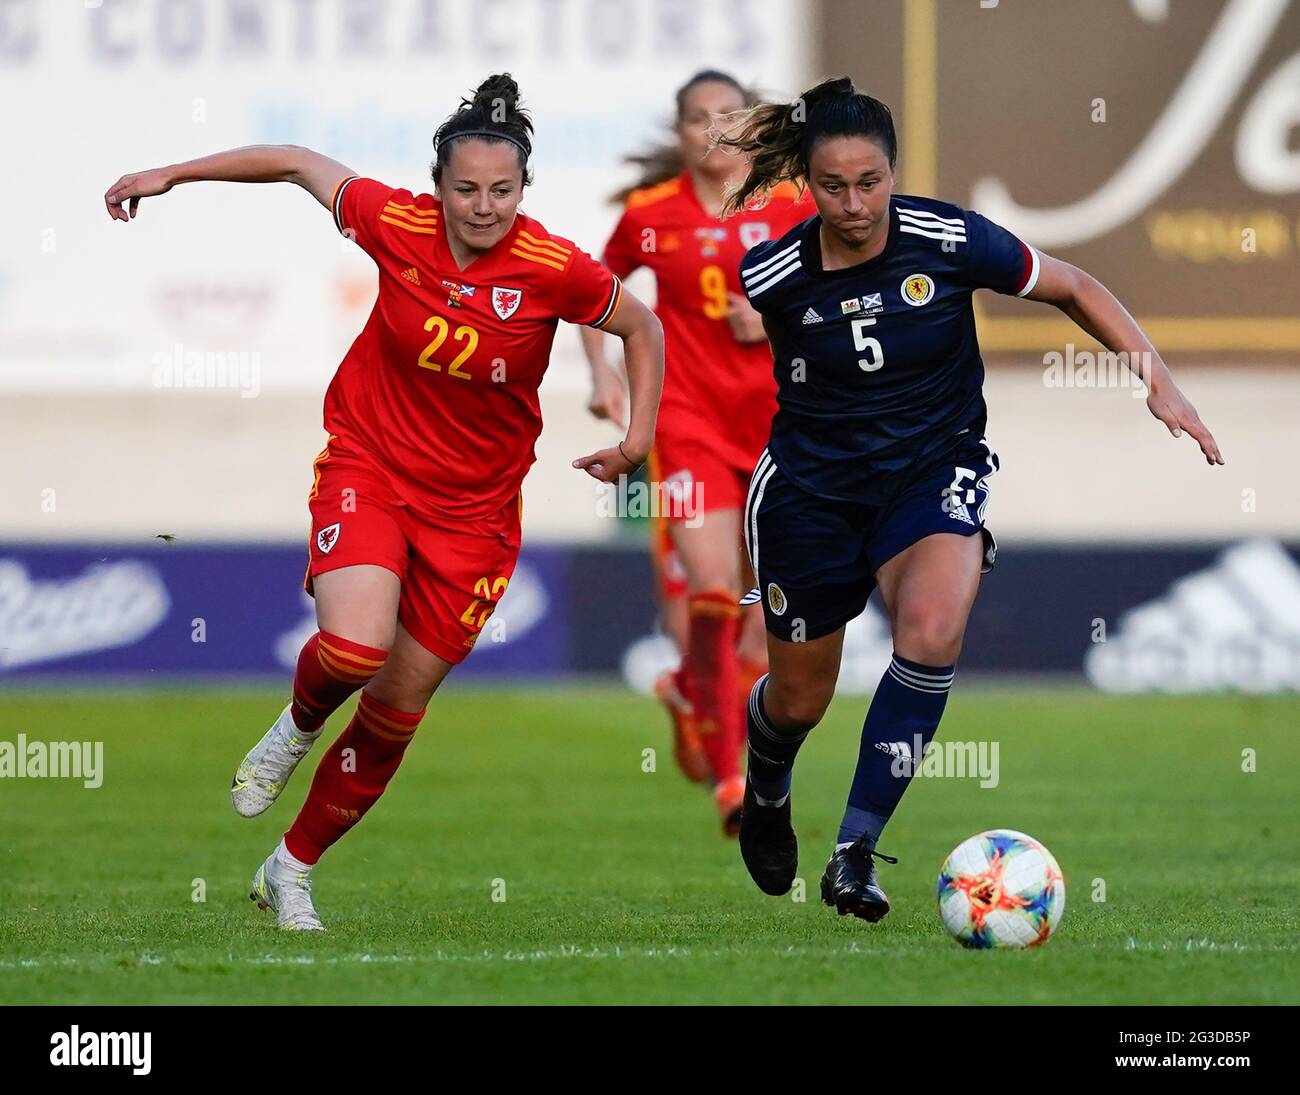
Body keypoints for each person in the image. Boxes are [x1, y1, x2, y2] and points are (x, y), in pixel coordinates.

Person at [104, 74, 664, 931]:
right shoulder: (394, 221)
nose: (484, 207)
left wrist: (635, 436)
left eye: (503, 191)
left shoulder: (552, 267)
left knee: (397, 710)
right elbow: (294, 161)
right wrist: (171, 174)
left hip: (477, 514)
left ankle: (289, 870)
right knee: (355, 648)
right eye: (467, 189)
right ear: (436, 184)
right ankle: (293, 727)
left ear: (526, 190)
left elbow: (642, 328)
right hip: (371, 465)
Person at [716, 76, 1222, 920]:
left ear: (894, 172)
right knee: (800, 696)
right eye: (833, 186)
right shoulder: (772, 275)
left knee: (933, 628)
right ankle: (767, 782)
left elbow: (1072, 284)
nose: (855, 203)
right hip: (812, 490)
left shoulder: (949, 239)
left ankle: (855, 849)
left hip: (934, 466)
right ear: (807, 184)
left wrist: (1155, 377)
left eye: (871, 182)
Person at [582, 70, 811, 834]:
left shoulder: (796, 200)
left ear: (750, 126)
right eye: (696, 120)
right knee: (711, 591)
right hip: (687, 423)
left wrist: (778, 314)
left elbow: (848, 280)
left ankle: (690, 691)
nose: (712, 131)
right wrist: (604, 376)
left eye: (726, 116)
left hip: (784, 426)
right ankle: (731, 781)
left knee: (760, 620)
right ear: (678, 133)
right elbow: (590, 291)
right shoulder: (650, 215)